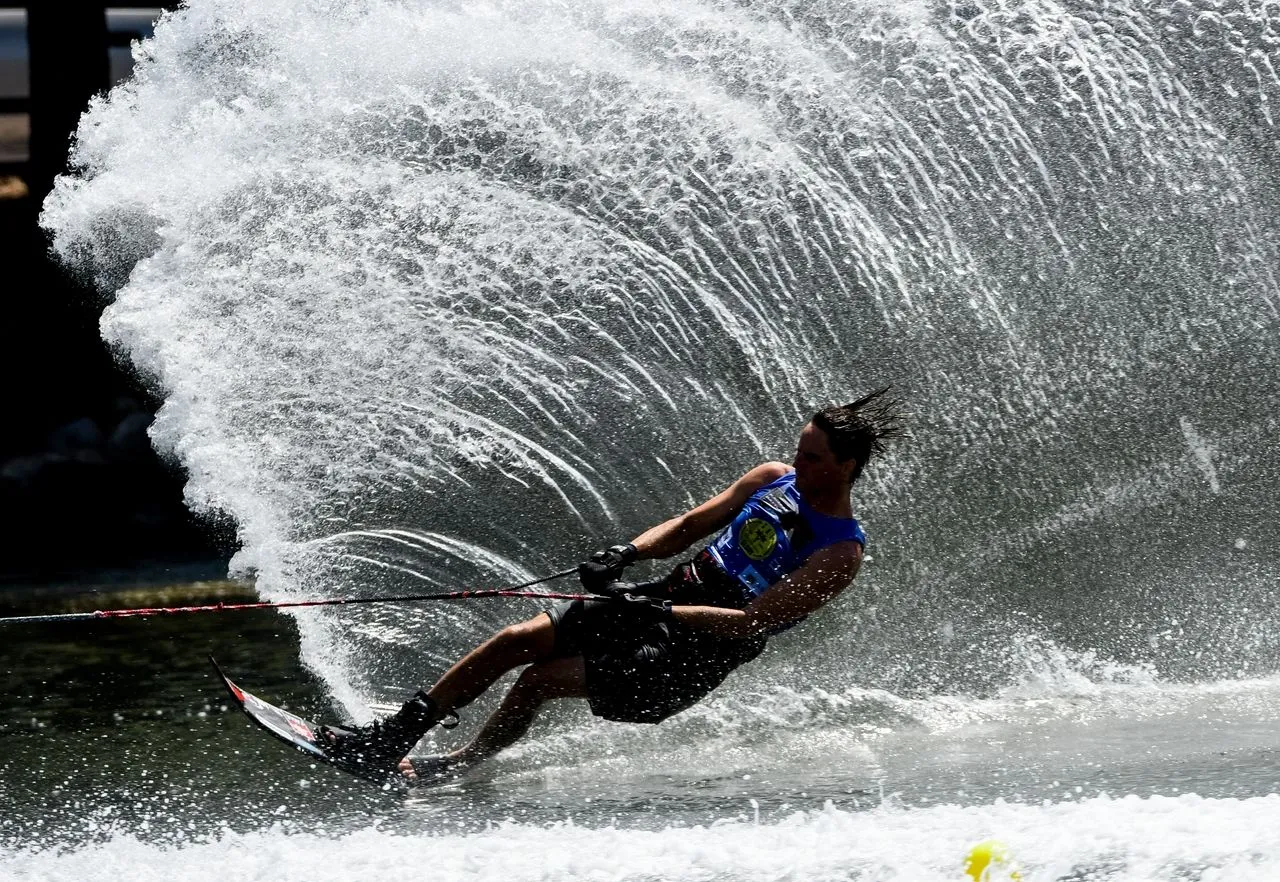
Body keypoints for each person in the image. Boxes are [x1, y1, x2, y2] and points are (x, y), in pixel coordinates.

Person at [318, 387, 906, 785]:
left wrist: (665, 619)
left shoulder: (840, 551)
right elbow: (688, 527)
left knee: (537, 681)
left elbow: (754, 624)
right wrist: (626, 554)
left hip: (690, 653)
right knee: (515, 639)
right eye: (799, 451)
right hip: (664, 597)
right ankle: (389, 740)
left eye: (812, 458)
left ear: (847, 466)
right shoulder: (772, 479)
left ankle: (459, 764)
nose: (797, 463)